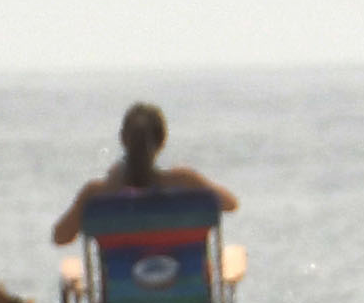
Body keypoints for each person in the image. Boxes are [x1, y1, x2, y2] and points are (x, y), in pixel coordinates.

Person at [51, 104, 238, 248]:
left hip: (122, 288)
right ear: (162, 141)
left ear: (123, 139)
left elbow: (60, 237)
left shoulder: (96, 193)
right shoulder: (185, 181)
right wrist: (187, 178)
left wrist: (110, 183)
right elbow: (230, 204)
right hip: (187, 288)